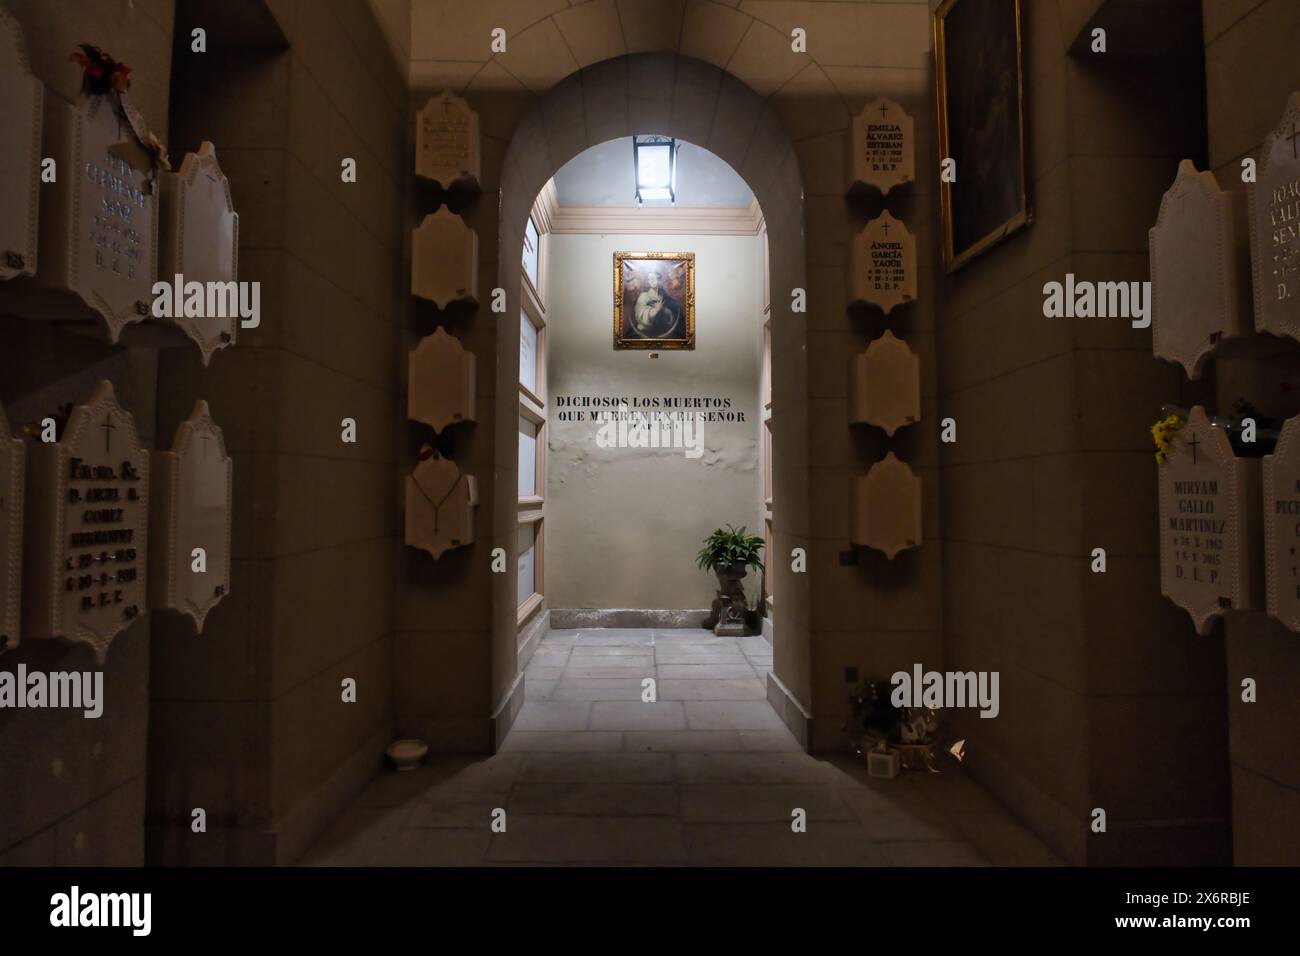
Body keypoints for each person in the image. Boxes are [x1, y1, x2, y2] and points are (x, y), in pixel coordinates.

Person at [630, 267, 682, 338]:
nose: (652, 281)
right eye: (650, 279)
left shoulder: (664, 296)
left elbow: (672, 316)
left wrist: (664, 310)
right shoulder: (643, 296)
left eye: (654, 278)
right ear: (648, 281)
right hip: (645, 331)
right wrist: (656, 310)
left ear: (658, 280)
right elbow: (640, 316)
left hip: (662, 331)